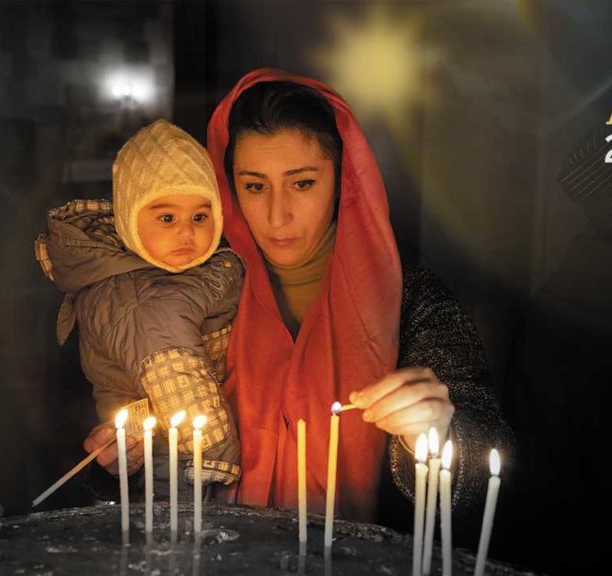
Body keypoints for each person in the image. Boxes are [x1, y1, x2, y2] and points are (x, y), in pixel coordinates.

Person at [204, 68, 515, 531]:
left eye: (302, 183)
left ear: (343, 180)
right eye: (255, 186)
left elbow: (482, 462)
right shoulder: (202, 292)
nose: (276, 215)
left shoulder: (409, 299)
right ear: (229, 188)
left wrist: (436, 435)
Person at [35, 119, 242, 497]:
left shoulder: (173, 270)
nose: (186, 232)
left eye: (200, 217)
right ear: (129, 220)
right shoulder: (142, 296)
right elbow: (174, 369)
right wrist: (213, 454)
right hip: (176, 459)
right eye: (167, 218)